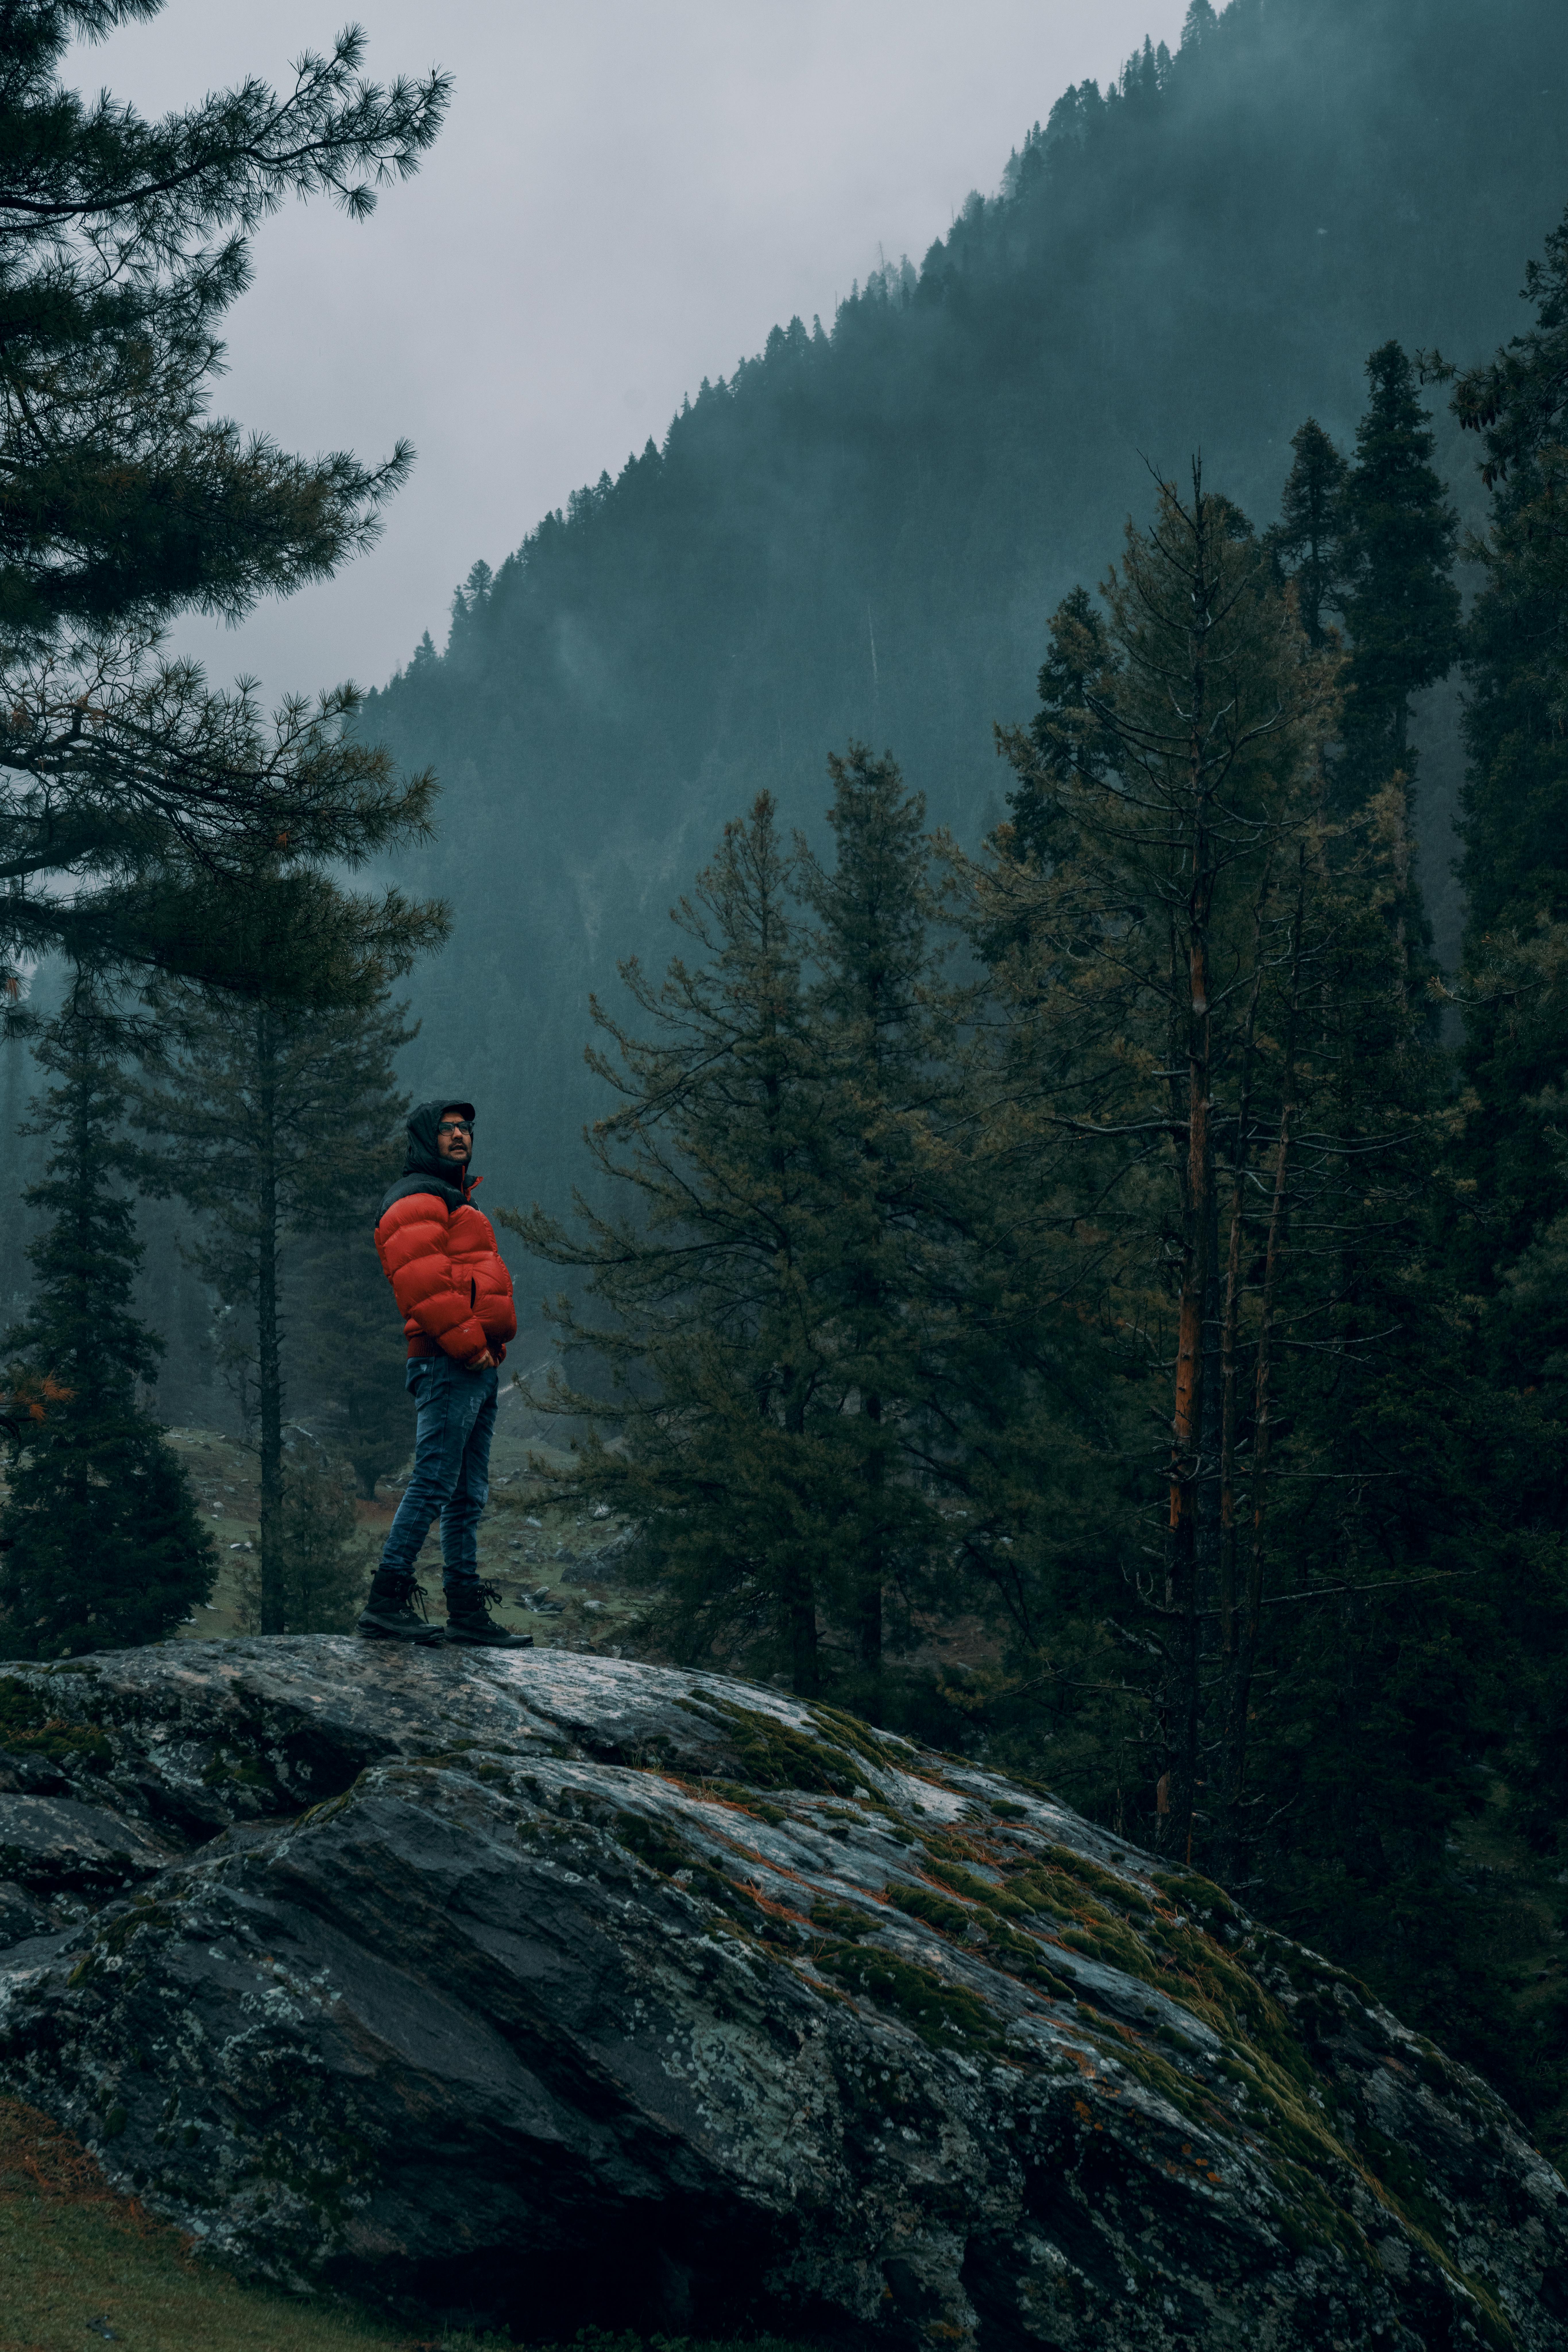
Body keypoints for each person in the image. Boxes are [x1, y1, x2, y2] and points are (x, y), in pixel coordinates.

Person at [356, 1097, 533, 1647]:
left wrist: (484, 1349)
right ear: (424, 1139)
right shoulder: (417, 1198)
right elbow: (422, 1281)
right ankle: (386, 1603)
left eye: (466, 1128)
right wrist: (469, 1345)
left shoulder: (452, 1198)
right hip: (447, 1360)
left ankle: (465, 1613)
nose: (460, 1136)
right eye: (447, 1129)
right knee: (435, 1481)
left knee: (467, 1494)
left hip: (472, 1364)